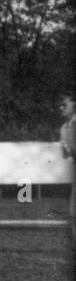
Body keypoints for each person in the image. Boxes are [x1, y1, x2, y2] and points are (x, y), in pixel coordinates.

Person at [60, 93, 76, 242]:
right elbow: (66, 155)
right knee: (73, 213)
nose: (61, 108)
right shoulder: (64, 128)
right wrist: (66, 150)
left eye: (65, 105)